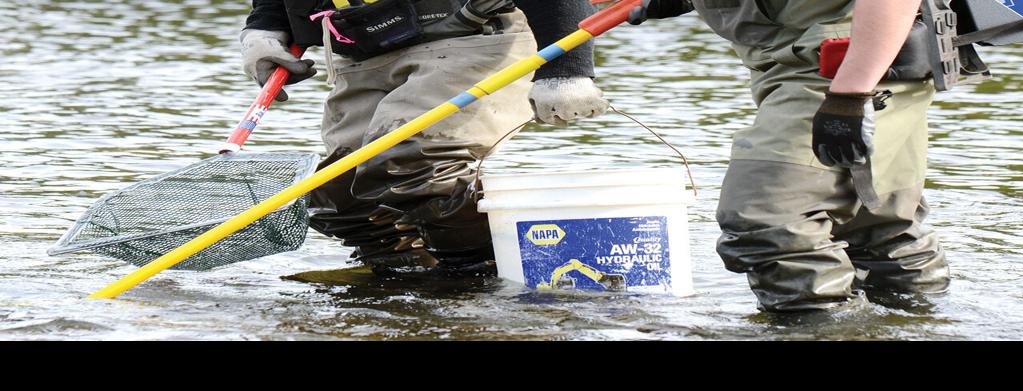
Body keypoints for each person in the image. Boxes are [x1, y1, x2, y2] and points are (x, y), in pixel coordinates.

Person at [240, 0, 610, 275]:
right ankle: (409, 280)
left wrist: (567, 68)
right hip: (361, 49)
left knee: (412, 159)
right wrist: (265, 27)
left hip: (473, 36)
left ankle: (501, 273)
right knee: (340, 189)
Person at [626, 0, 948, 312]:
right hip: (812, 64)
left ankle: (828, 334)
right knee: (876, 227)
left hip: (854, 65)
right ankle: (917, 326)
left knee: (766, 218)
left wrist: (850, 96)